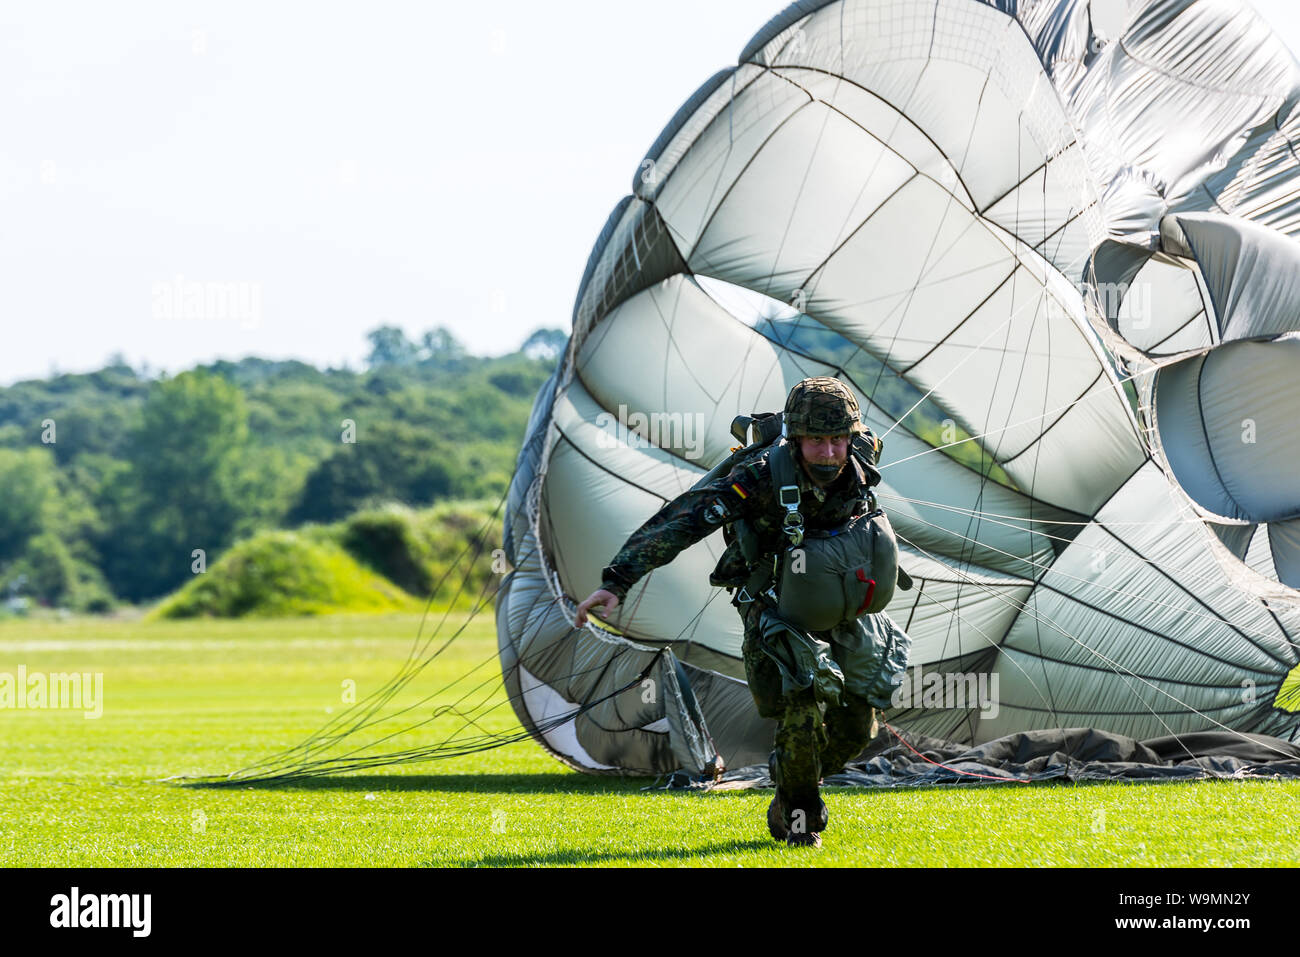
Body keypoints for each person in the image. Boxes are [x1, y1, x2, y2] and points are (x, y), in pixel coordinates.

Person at [576, 377, 912, 848]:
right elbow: (684, 520)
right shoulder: (757, 477)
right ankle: (798, 822)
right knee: (801, 703)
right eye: (816, 440)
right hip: (774, 604)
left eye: (838, 439)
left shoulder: (860, 455)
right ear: (795, 438)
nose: (830, 453)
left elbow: (864, 445)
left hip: (841, 598)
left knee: (858, 724)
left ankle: (792, 777)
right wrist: (618, 581)